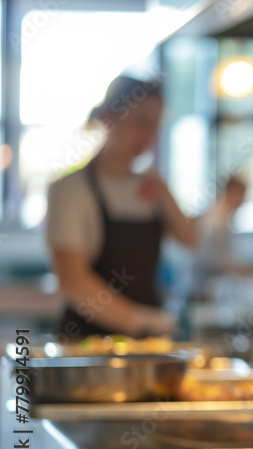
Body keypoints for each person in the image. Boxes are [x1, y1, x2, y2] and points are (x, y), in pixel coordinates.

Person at [46, 75, 198, 340]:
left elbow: (189, 239)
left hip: (146, 346)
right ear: (109, 118)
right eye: (141, 122)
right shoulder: (69, 189)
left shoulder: (151, 188)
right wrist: (142, 320)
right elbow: (72, 280)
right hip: (88, 344)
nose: (149, 136)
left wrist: (166, 195)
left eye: (155, 125)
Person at [191, 174, 253, 298]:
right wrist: (252, 272)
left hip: (209, 285)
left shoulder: (220, 217)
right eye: (242, 194)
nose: (243, 200)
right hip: (204, 289)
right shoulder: (217, 222)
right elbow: (223, 265)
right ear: (231, 192)